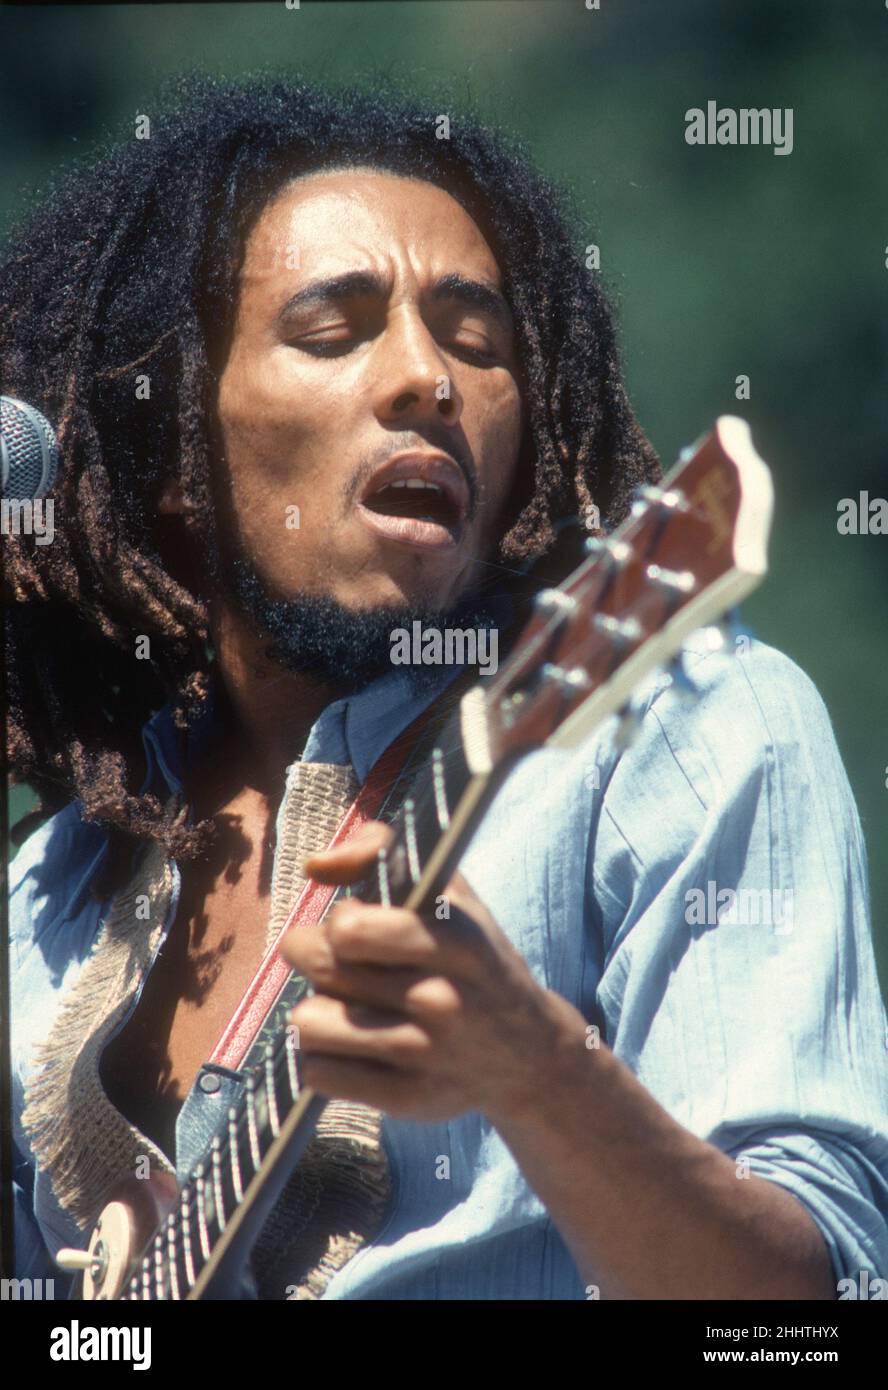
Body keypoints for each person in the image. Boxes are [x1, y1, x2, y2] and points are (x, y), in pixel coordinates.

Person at [5, 76, 887, 1301]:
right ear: (168, 463)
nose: (431, 377)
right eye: (335, 329)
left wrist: (539, 1075)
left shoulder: (680, 729)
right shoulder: (44, 893)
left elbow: (813, 1304)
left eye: (478, 341)